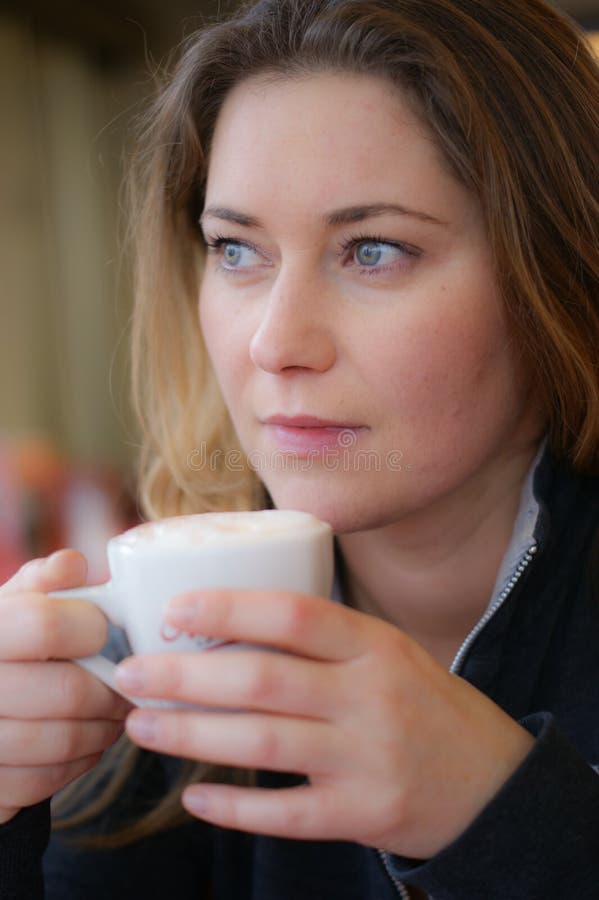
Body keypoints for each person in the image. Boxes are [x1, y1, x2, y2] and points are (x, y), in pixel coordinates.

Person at [1, 0, 598, 897]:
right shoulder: (166, 641)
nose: (274, 342)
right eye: (236, 250)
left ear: (555, 267)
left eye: (373, 249)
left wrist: (510, 819)